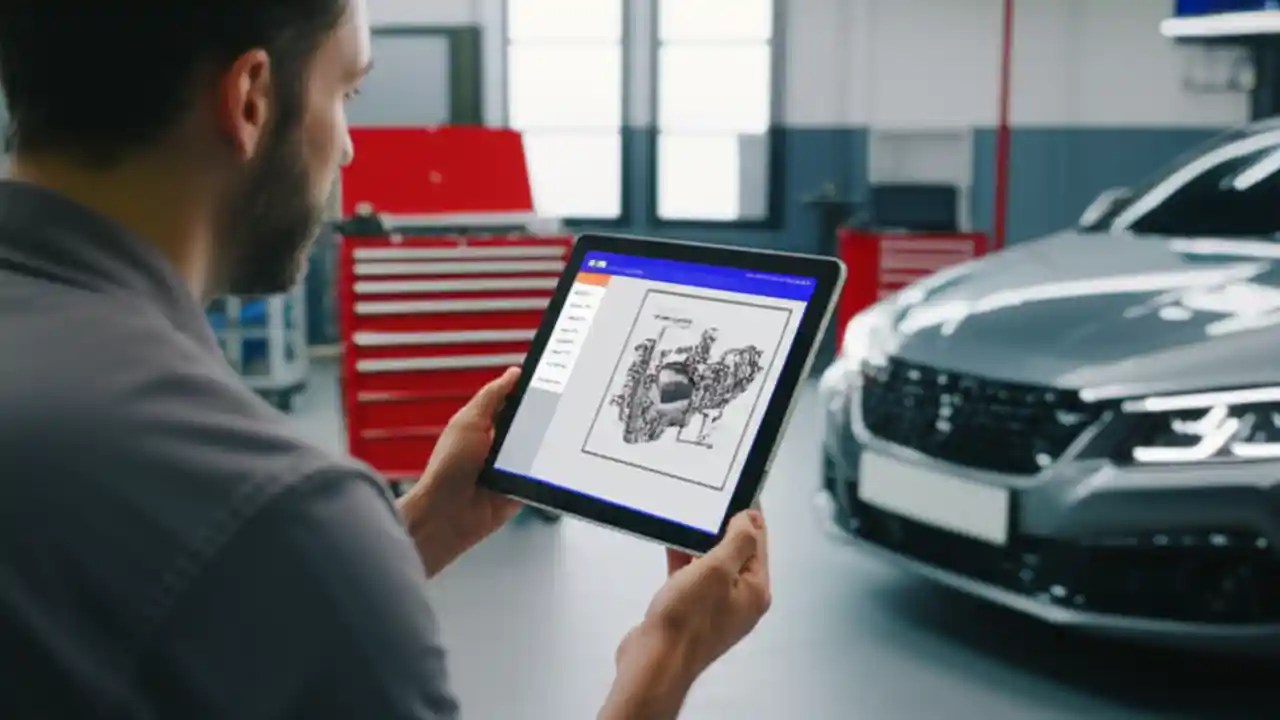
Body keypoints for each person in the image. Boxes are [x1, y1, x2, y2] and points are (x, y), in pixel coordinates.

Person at [0, 1, 772, 718]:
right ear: (250, 99)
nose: (347, 144)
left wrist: (424, 526)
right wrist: (664, 661)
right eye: (348, 95)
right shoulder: (273, 505)